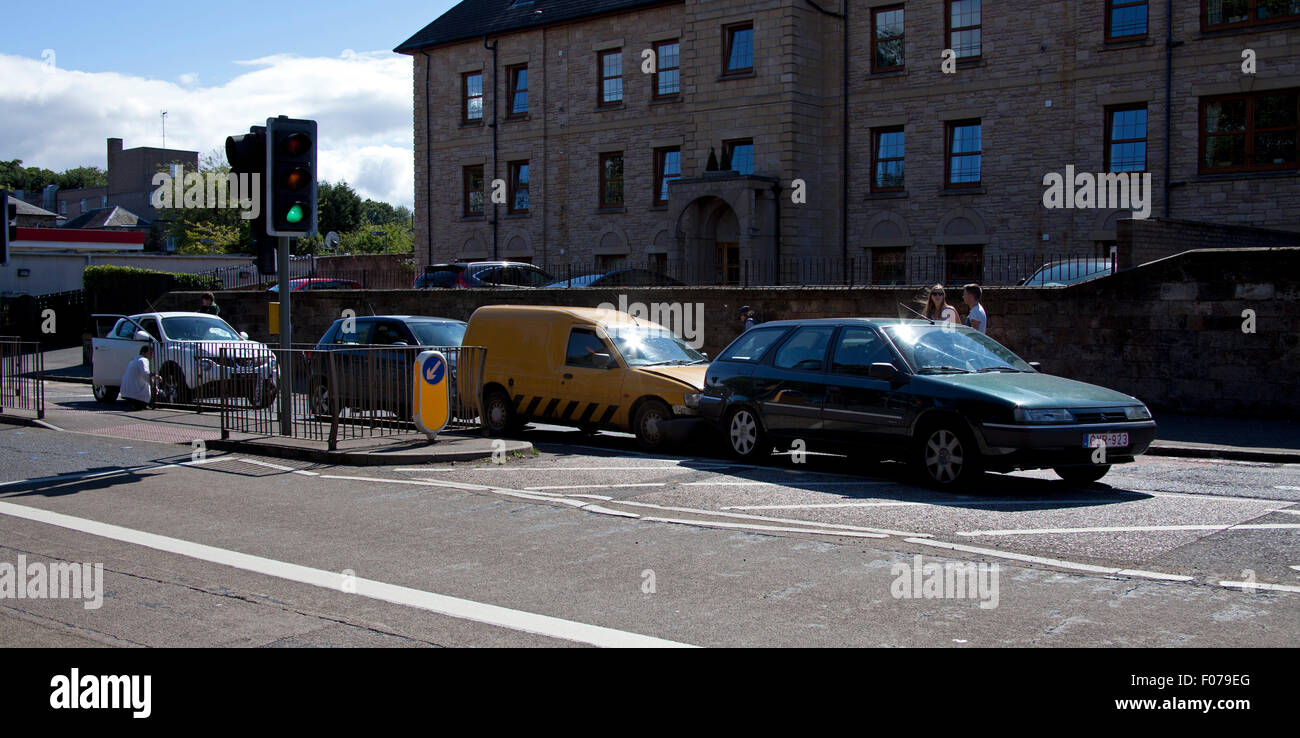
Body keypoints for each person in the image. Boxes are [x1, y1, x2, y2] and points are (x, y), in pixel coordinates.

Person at [120, 344, 156, 411]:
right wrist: (154, 386)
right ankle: (146, 404)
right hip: (136, 394)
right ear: (143, 353)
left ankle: (136, 404)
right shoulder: (143, 360)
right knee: (157, 392)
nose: (152, 356)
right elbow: (146, 374)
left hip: (126, 392)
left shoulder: (133, 361)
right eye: (150, 353)